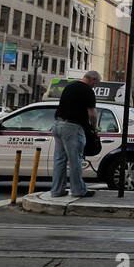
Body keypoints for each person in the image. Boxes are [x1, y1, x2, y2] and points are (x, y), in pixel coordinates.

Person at [51, 70, 99, 198]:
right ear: (92, 79)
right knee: (75, 160)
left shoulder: (69, 87)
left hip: (57, 125)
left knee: (59, 160)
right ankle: (78, 190)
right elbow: (92, 114)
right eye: (96, 83)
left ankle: (57, 190)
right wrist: (95, 128)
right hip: (72, 127)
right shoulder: (88, 91)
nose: (95, 86)